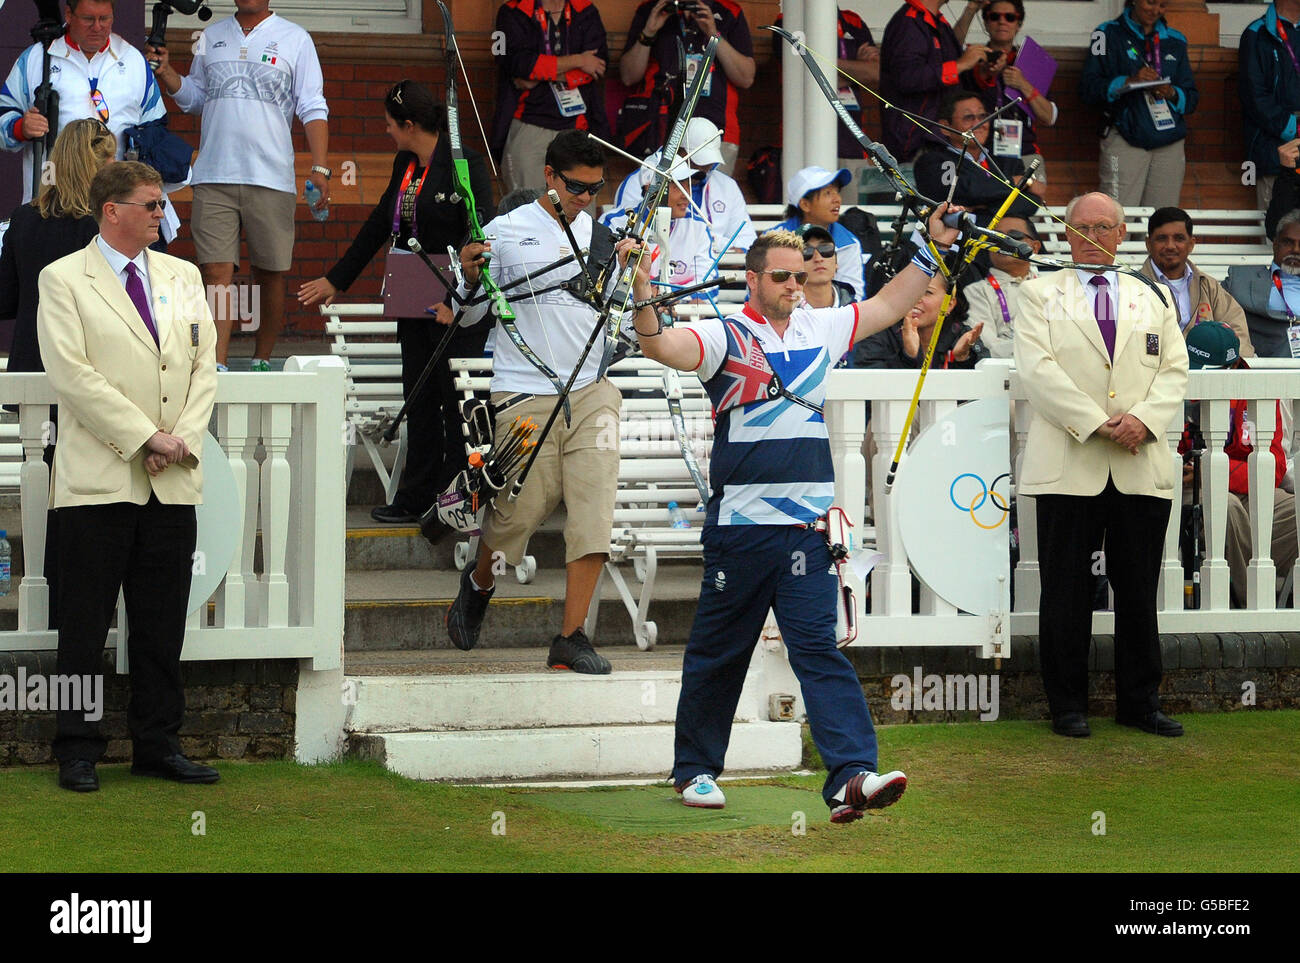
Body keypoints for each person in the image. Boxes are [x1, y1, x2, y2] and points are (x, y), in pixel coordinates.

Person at [631, 207, 965, 819]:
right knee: (721, 651)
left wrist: (932, 248)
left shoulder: (822, 325)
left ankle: (851, 776)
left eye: (799, 276)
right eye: (781, 277)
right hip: (739, 530)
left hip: (807, 532)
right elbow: (661, 345)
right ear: (753, 280)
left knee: (818, 648)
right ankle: (695, 770)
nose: (793, 285)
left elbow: (892, 305)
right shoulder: (723, 334)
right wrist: (644, 290)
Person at [37, 161, 218, 792]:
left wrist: (179, 442)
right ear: (111, 209)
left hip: (171, 478)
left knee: (162, 621)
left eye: (162, 203)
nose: (161, 214)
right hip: (98, 478)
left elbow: (204, 368)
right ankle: (77, 749)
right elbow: (72, 375)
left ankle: (158, 744)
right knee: (83, 625)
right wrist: (145, 437)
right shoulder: (63, 279)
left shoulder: (184, 274)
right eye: (149, 204)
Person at [445, 130, 633, 675]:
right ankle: (480, 581)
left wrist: (635, 271)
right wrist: (472, 274)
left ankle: (572, 637)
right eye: (576, 186)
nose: (584, 198)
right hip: (524, 389)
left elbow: (624, 313)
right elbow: (473, 314)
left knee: (594, 514)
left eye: (595, 189)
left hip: (592, 392)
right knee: (514, 517)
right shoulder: (504, 232)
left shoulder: (603, 237)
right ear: (549, 176)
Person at [1014, 191, 1189, 739]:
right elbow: (1037, 371)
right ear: (1067, 233)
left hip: (1140, 462)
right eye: (1082, 226)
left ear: (1121, 235)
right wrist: (1098, 423)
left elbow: (1175, 370)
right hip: (1071, 459)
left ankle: (1141, 702)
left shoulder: (1151, 295)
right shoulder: (1037, 293)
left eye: (1105, 226)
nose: (1094, 235)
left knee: (1138, 587)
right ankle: (1067, 705)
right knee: (1065, 589)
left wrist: (1144, 420)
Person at [297, 81, 493, 524]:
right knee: (419, 397)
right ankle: (414, 497)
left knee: (452, 401)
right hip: (412, 289)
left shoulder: (465, 165)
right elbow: (378, 223)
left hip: (455, 296)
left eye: (390, 125)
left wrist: (458, 299)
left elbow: (481, 235)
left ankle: (452, 499)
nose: (386, 131)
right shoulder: (406, 162)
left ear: (409, 125)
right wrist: (336, 279)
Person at [149, 0, 329, 372]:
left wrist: (321, 167)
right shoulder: (212, 36)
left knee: (270, 272)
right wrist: (167, 72)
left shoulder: (296, 39)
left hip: (271, 175)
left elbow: (312, 105)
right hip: (214, 174)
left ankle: (263, 359)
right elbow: (197, 99)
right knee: (215, 273)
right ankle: (217, 365)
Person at [0, 0, 186, 241]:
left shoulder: (132, 59)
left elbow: (156, 125)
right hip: (55, 199)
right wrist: (20, 128)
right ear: (69, 14)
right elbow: (4, 115)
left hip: (117, 201)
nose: (97, 27)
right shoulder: (37, 58)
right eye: (88, 19)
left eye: (105, 19)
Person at [1179, 322, 1296, 609]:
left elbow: (1273, 472)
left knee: (1296, 510)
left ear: (1231, 368)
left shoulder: (1258, 391)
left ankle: (1273, 599)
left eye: (1204, 370)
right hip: (1191, 490)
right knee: (1226, 508)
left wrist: (1211, 471)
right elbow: (1178, 457)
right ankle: (1252, 604)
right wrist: (1209, 474)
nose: (1193, 375)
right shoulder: (1175, 384)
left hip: (1246, 490)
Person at [1080, 0, 1197, 209]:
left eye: (1162, 5)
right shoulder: (1106, 34)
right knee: (1117, 218)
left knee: (1162, 220)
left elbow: (1191, 97)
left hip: (1168, 142)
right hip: (1125, 138)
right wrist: (1128, 81)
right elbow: (1088, 89)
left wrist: (1170, 92)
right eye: (1150, 2)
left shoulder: (1176, 40)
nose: (1155, 10)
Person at [619, 0, 755, 174]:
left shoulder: (729, 11)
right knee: (658, 198)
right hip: (659, 126)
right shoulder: (652, 8)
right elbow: (629, 77)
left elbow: (746, 78)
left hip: (716, 128)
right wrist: (649, 31)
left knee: (709, 196)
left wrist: (713, 33)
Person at [490, 0, 610, 195]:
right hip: (528, 126)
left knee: (579, 217)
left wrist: (540, 72)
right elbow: (514, 65)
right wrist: (579, 60)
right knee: (527, 211)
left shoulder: (586, 10)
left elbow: (598, 66)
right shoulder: (511, 11)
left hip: (578, 127)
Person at [605, 118, 754, 253]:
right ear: (677, 149)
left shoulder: (727, 185)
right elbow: (630, 233)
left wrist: (711, 247)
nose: (706, 166)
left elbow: (747, 242)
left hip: (714, 271)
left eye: (709, 160)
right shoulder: (639, 181)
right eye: (698, 159)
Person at [879, 0, 988, 163]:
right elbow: (908, 77)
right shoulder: (909, 23)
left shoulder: (937, 21)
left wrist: (984, 68)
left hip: (940, 139)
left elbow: (952, 66)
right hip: (916, 144)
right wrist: (961, 64)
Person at [913, 88, 1041, 224]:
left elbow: (1030, 202)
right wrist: (1016, 182)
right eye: (968, 117)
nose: (978, 124)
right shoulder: (934, 161)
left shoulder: (1007, 160)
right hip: (961, 240)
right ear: (945, 127)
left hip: (1014, 237)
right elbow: (961, 192)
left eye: (982, 116)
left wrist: (978, 208)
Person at [1139, 207, 1254, 355]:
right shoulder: (1132, 288)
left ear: (1191, 244)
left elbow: (1238, 334)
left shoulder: (1209, 286)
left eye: (1179, 238)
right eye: (1162, 238)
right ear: (1148, 243)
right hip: (1155, 373)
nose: (1170, 246)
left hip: (1207, 373)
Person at [965, 0, 1058, 180]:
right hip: (980, 154)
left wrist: (1023, 84)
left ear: (1019, 24)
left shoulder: (1032, 61)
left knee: (1029, 204)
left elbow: (1049, 117)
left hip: (1024, 153)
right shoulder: (972, 58)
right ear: (985, 22)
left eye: (1009, 17)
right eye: (994, 17)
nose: (1002, 22)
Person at [601, 151, 714, 289]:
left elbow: (707, 280)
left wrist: (669, 297)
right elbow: (606, 280)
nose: (687, 194)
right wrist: (647, 298)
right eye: (677, 186)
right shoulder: (614, 222)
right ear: (651, 188)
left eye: (688, 185)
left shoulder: (698, 225)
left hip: (683, 308)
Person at [855, 269, 986, 370]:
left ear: (950, 304)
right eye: (911, 291)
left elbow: (983, 392)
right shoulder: (880, 332)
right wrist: (907, 357)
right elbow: (868, 385)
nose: (916, 298)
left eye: (927, 292)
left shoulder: (962, 336)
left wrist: (963, 360)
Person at [1239, 0, 1300, 210]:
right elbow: (1255, 97)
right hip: (1275, 151)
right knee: (1278, 232)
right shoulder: (1257, 33)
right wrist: (1294, 126)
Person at [773, 166, 864, 298]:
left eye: (837, 192)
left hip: (834, 315)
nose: (837, 199)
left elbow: (853, 295)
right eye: (827, 193)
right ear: (805, 204)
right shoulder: (773, 240)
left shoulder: (849, 242)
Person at [1224, 209, 1300, 358]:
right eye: (1288, 242)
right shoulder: (1241, 281)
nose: (1295, 250)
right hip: (1263, 368)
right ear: (1275, 244)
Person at [963, 215, 1039, 358]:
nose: (1003, 242)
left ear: (1035, 247)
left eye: (1013, 236)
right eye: (996, 238)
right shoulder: (976, 291)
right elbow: (989, 348)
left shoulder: (1051, 285)